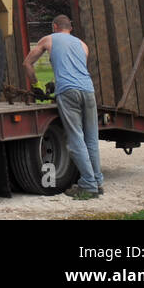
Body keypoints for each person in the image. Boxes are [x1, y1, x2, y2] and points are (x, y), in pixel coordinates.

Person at [22, 15, 103, 199]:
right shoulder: (83, 45)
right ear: (70, 28)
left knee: (76, 139)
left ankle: (88, 185)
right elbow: (74, 69)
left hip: (68, 92)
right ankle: (97, 181)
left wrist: (36, 86)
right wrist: (54, 82)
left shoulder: (49, 39)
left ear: (55, 26)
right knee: (91, 139)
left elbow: (27, 63)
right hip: (88, 91)